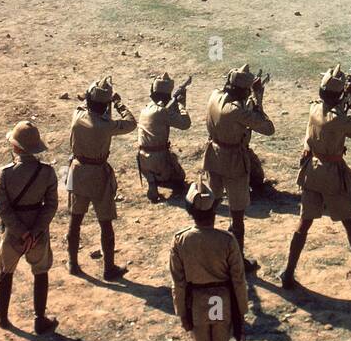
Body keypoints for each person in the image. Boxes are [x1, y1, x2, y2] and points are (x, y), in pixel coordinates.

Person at [279, 64, 351, 290]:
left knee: (304, 223)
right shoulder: (338, 118)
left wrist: (342, 100)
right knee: (350, 225)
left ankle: (288, 272)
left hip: (312, 171)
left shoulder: (315, 109)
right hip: (333, 174)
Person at [203, 64, 274, 271]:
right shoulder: (237, 111)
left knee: (212, 204)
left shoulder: (215, 96)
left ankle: (207, 250)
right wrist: (258, 101)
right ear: (243, 91)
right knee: (237, 214)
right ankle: (238, 260)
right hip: (233, 160)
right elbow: (268, 128)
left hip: (213, 155)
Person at [66, 77, 137, 280]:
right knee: (105, 223)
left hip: (78, 171)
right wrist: (117, 102)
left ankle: (73, 263)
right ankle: (108, 268)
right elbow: (131, 123)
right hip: (98, 174)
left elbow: (84, 104)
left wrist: (99, 97)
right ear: (104, 105)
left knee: (75, 220)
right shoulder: (107, 125)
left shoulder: (77, 116)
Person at [169, 181, 248, 341]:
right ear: (214, 210)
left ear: (190, 211)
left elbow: (178, 283)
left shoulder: (180, 240)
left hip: (195, 302)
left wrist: (181, 313)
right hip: (220, 300)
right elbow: (238, 280)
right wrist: (241, 311)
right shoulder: (227, 240)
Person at [0, 120, 59, 334]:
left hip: (13, 231)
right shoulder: (47, 173)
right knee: (40, 271)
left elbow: (2, 208)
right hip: (38, 231)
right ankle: (40, 319)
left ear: (15, 147)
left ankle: (2, 317)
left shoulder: (4, 173)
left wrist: (21, 232)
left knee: (6, 271)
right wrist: (36, 231)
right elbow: (51, 205)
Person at [136, 72, 190, 203]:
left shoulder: (146, 108)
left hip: (143, 160)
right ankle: (162, 180)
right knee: (180, 178)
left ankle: (151, 180)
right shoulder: (163, 111)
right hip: (159, 160)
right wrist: (181, 104)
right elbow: (185, 124)